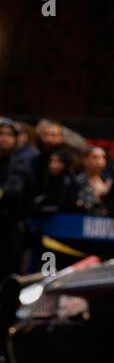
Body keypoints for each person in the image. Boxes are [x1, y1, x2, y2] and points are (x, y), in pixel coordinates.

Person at [0, 118, 34, 278]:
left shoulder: (21, 164)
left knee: (9, 275)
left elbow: (19, 192)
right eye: (0, 134)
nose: (4, 138)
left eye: (9, 134)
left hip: (10, 228)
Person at [29, 147, 79, 218]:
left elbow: (66, 206)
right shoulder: (46, 178)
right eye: (51, 161)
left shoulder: (70, 182)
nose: (53, 165)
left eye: (58, 162)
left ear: (66, 164)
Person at [74, 146, 113, 215]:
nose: (100, 161)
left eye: (103, 157)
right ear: (85, 160)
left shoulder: (109, 180)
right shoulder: (78, 181)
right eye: (95, 157)